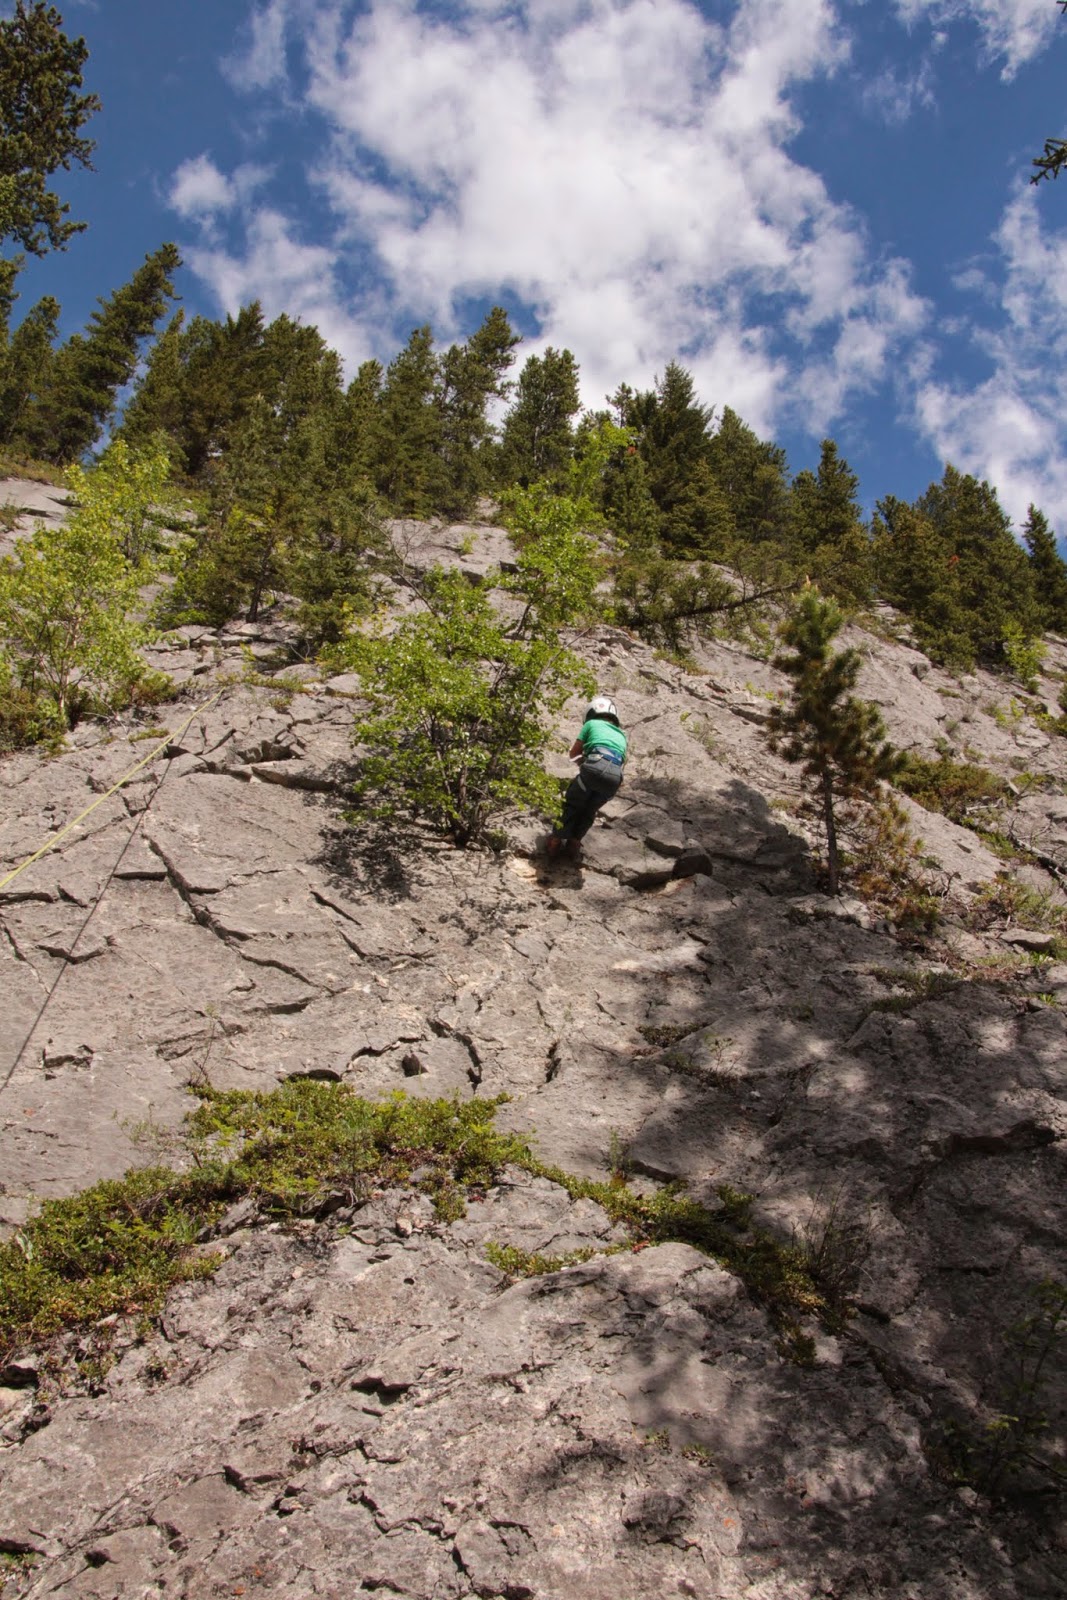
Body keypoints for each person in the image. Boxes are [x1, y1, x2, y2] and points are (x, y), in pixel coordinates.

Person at [548, 695, 627, 859]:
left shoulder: (591, 724)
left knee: (572, 803)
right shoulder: (622, 735)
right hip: (614, 777)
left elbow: (574, 753)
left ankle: (555, 842)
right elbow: (620, 763)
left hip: (594, 767)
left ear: (590, 713)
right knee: (590, 810)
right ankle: (574, 843)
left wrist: (583, 764)